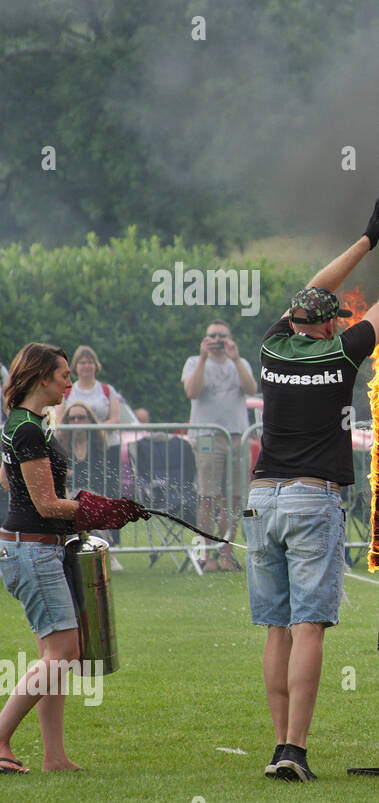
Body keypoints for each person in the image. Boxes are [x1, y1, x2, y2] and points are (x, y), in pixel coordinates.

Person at [245, 196, 379, 782]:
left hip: (262, 498)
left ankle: (278, 745)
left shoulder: (273, 347)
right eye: (335, 317)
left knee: (276, 627)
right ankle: (296, 750)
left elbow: (311, 288)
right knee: (309, 626)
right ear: (327, 325)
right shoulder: (342, 351)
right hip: (309, 498)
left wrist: (365, 241)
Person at [1, 344, 148, 773]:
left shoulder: (28, 423)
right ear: (41, 377)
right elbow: (46, 504)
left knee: (54, 656)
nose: (70, 382)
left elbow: (14, 486)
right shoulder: (27, 428)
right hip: (32, 548)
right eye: (63, 374)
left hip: (31, 546)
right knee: (64, 652)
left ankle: (54, 757)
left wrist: (87, 509)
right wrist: (100, 510)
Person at [182, 319, 256, 572]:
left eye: (222, 335)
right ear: (204, 340)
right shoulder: (194, 362)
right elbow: (192, 391)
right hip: (207, 436)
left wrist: (235, 360)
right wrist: (203, 358)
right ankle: (206, 554)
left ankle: (226, 553)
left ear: (230, 338)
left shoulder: (240, 363)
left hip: (237, 436)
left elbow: (251, 388)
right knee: (207, 497)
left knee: (234, 499)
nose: (217, 340)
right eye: (211, 336)